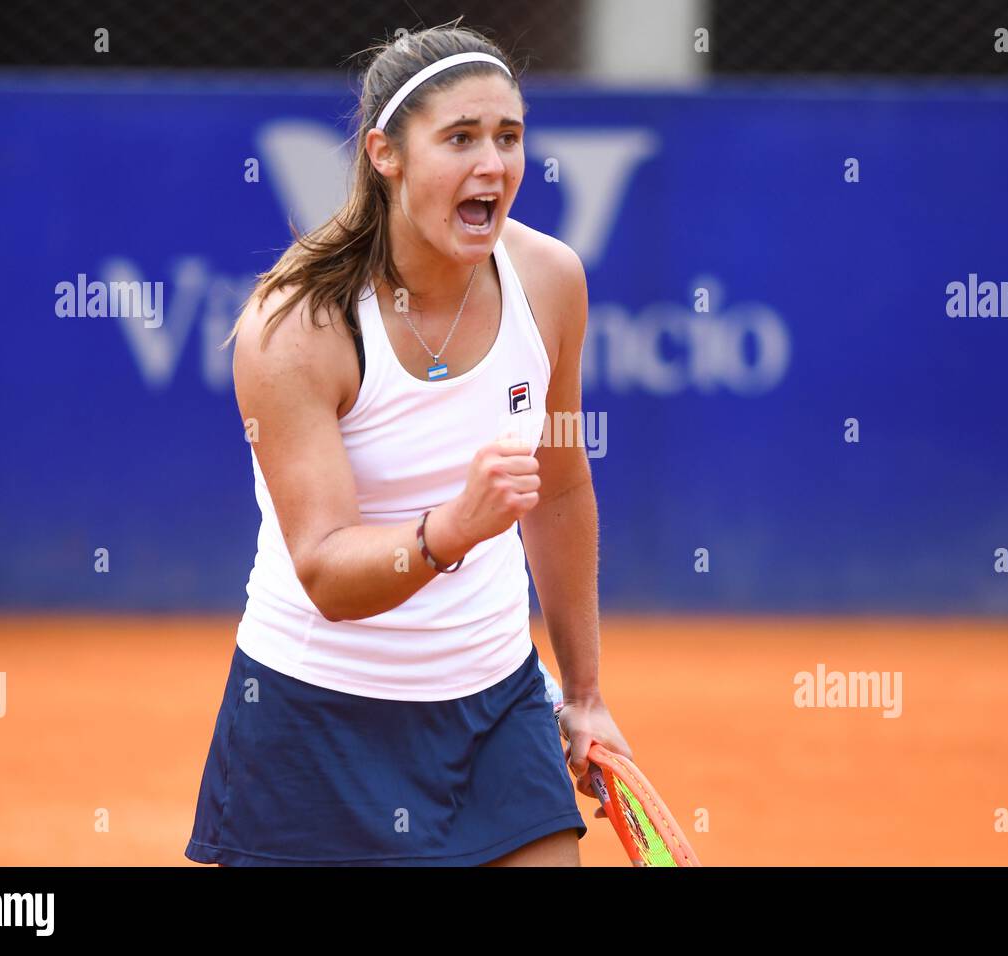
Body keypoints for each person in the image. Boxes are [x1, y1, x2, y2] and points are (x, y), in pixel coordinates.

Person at [185, 23, 631, 867]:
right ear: (386, 153)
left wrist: (584, 694)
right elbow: (324, 572)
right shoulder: (297, 326)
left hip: (497, 705)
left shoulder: (551, 282)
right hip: (315, 720)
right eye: (460, 138)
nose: (494, 165)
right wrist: (451, 529)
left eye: (509, 137)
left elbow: (562, 487)